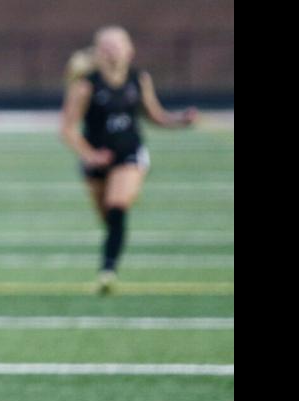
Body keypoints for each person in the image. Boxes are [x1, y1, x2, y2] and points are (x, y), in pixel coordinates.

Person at [58, 26, 198, 295]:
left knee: (117, 205)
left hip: (129, 153)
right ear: (98, 52)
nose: (113, 51)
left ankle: (107, 272)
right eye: (106, 46)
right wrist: (91, 155)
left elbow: (154, 115)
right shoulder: (86, 85)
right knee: (110, 220)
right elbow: (67, 129)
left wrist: (180, 120)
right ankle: (112, 254)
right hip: (96, 161)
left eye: (118, 45)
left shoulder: (139, 79)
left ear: (130, 50)